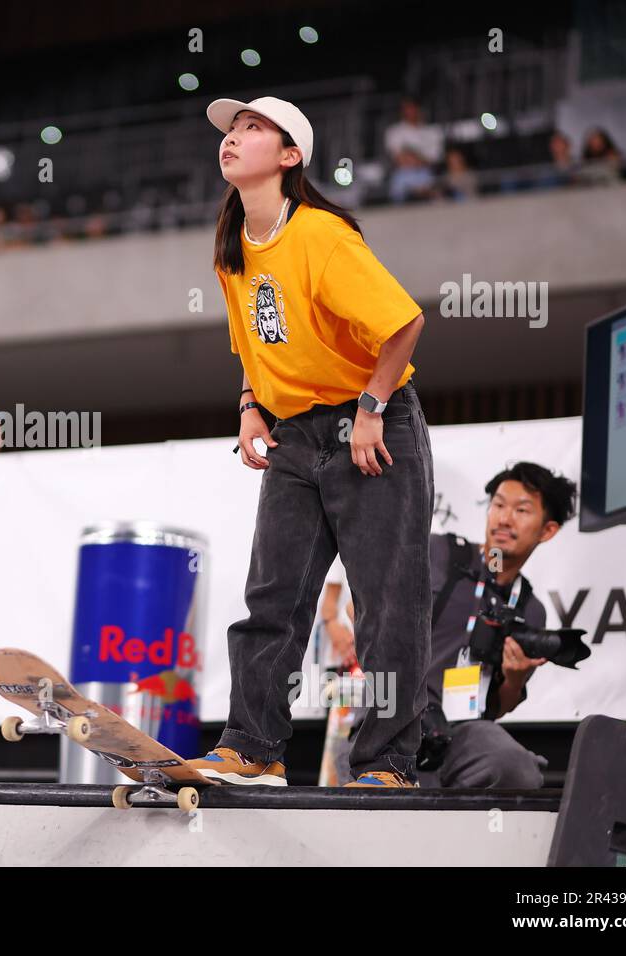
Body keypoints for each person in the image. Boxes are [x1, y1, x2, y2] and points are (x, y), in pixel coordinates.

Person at [187, 95, 432, 788]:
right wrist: (248, 405)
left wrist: (372, 407)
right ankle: (254, 749)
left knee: (387, 602)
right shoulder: (232, 243)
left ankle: (388, 764)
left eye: (252, 129)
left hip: (369, 423)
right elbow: (251, 344)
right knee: (272, 598)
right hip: (292, 431)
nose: (233, 138)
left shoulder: (322, 234)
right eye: (231, 131)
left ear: (290, 156)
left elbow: (403, 322)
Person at [345, 462, 576, 788]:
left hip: (457, 733)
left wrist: (515, 678)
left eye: (522, 510)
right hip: (393, 719)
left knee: (516, 769)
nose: (504, 519)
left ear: (547, 530)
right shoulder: (436, 552)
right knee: (379, 812)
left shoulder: (530, 610)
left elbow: (496, 706)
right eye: (498, 505)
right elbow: (355, 607)